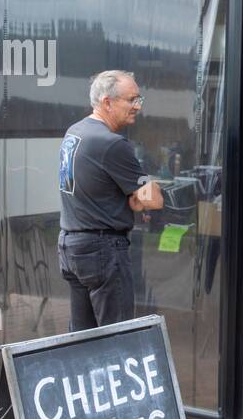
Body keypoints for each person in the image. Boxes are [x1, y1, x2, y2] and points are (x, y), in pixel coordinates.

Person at [57, 70, 163, 331]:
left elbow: (94, 186)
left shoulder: (75, 132)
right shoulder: (112, 144)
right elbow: (153, 200)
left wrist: (133, 195)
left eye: (139, 99)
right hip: (102, 249)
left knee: (83, 338)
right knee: (117, 337)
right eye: (131, 100)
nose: (137, 107)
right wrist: (140, 193)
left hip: (71, 246)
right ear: (107, 102)